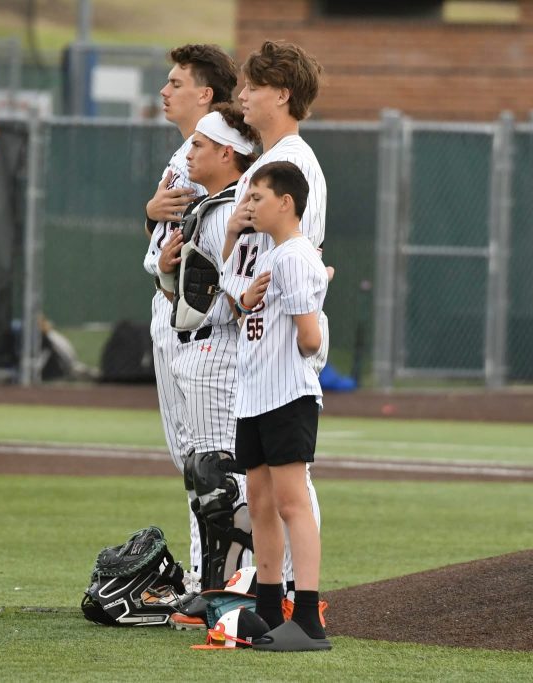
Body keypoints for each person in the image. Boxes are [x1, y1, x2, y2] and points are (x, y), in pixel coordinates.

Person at [220, 39, 328, 605]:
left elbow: (300, 257)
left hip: (284, 353)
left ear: (282, 94)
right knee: (261, 493)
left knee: (291, 492)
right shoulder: (264, 164)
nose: (243, 95)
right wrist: (238, 289)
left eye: (254, 86)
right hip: (256, 351)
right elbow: (241, 266)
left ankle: (297, 599)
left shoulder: (295, 163)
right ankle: (269, 598)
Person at [142, 44, 238, 591]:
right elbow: (161, 241)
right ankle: (209, 576)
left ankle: (216, 580)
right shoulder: (186, 153)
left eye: (176, 82)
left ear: (205, 94)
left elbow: (176, 249)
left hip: (198, 318)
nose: (164, 90)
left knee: (206, 461)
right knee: (192, 459)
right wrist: (148, 215)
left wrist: (156, 235)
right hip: (174, 306)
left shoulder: (201, 156)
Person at [155, 105, 260, 599]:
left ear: (227, 153)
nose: (189, 153)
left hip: (220, 351)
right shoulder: (210, 207)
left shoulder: (236, 210)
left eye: (200, 145)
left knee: (222, 477)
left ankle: (243, 587)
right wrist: (166, 272)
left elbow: (239, 295)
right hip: (194, 347)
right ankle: (214, 587)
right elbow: (184, 298)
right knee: (203, 476)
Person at [231, 161, 331, 652]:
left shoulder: (292, 256)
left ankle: (307, 617)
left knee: (291, 502)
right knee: (260, 501)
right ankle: (269, 608)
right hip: (255, 394)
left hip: (286, 394)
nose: (250, 206)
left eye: (258, 197)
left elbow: (310, 338)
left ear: (286, 203)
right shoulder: (272, 254)